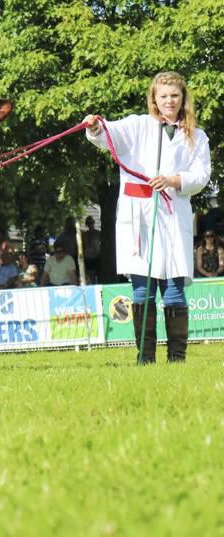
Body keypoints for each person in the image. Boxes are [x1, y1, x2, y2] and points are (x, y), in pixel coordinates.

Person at [85, 71, 211, 363]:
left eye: (175, 95)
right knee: (142, 288)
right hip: (138, 217)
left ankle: (177, 358)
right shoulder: (138, 125)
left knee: (174, 287)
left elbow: (202, 174)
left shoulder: (197, 135)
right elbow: (107, 134)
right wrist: (95, 126)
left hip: (173, 215)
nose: (169, 101)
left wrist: (174, 180)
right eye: (164, 96)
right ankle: (145, 358)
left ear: (183, 98)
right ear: (154, 98)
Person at [82, 216, 102, 283]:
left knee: (100, 277)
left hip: (97, 258)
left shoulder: (98, 233)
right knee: (90, 278)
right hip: (88, 259)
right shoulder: (84, 235)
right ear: (86, 224)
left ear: (94, 223)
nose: (90, 224)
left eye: (91, 222)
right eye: (88, 223)